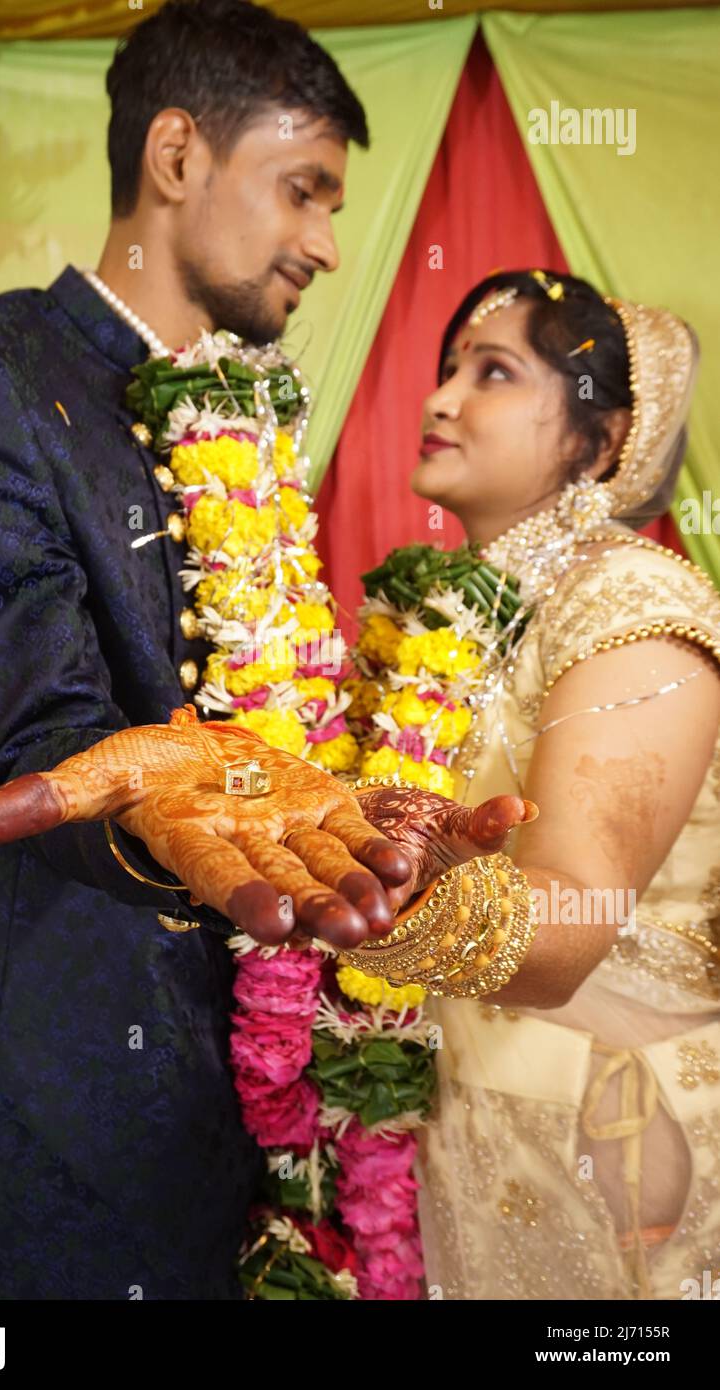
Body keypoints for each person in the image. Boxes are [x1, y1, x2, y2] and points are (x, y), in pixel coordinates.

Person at [0, 0, 388, 1301]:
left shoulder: (248, 414)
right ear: (176, 157)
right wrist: (199, 793)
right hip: (85, 1110)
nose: (327, 245)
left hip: (263, 1112)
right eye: (301, 191)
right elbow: (30, 747)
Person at [391, 270, 720, 1299]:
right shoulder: (450, 620)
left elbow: (567, 921)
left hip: (605, 1149)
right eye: (447, 368)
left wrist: (337, 894)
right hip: (470, 1134)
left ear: (598, 438)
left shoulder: (629, 594)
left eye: (491, 372)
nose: (441, 399)